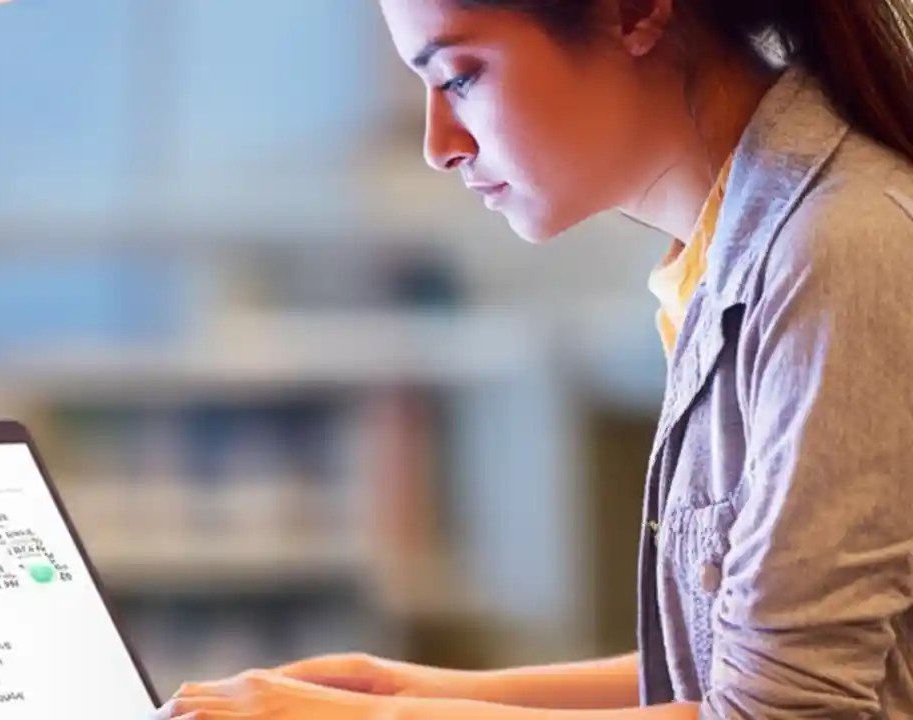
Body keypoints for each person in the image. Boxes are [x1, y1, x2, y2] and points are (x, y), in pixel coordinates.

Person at [155, 0, 913, 718]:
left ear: (634, 12)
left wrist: (382, 716)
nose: (438, 145)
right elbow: (726, 670)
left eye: (459, 76)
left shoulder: (834, 251)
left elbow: (777, 711)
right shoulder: (726, 260)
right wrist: (390, 687)